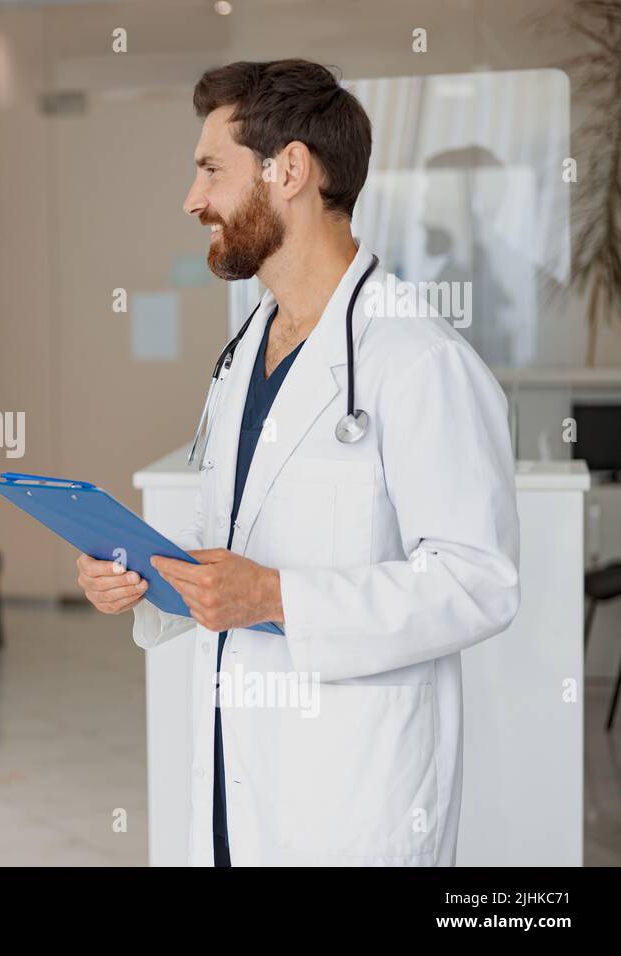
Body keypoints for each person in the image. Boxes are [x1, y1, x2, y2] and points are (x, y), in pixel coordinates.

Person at [77, 60, 519, 866]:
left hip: (353, 791)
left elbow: (477, 581)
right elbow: (234, 543)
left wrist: (280, 596)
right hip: (238, 770)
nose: (193, 199)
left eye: (212, 169)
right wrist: (148, 578)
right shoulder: (246, 349)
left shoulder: (417, 358)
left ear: (290, 169)